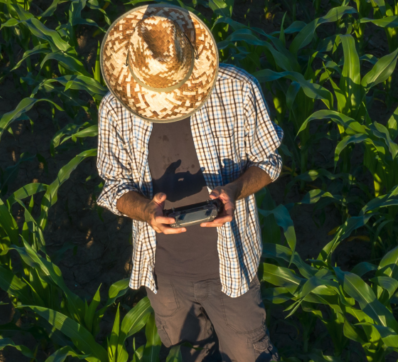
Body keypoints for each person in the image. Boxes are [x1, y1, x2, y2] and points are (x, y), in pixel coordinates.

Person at [95, 3, 283, 361]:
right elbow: (113, 187)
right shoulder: (115, 108)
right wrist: (147, 211)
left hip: (231, 267)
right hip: (163, 276)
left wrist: (234, 191)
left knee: (249, 354)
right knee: (189, 355)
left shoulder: (237, 90)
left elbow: (270, 161)